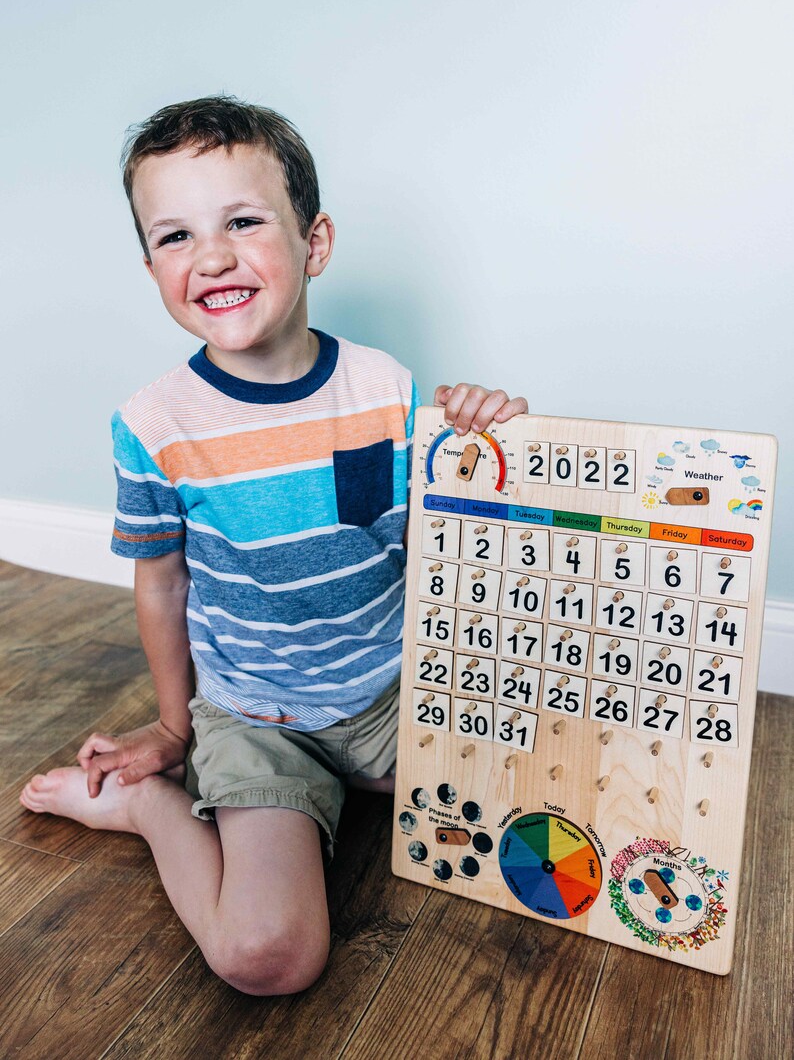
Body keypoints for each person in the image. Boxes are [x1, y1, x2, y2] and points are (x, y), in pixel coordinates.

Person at [20, 96, 527, 995]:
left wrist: (491, 438)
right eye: (174, 237)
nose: (210, 256)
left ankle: (366, 778)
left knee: (549, 800)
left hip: (388, 694)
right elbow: (164, 584)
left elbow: (454, 539)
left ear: (314, 243)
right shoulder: (153, 423)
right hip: (258, 718)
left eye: (243, 222)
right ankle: (151, 812)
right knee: (267, 958)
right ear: (151, 268)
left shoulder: (385, 389)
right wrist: (176, 730)